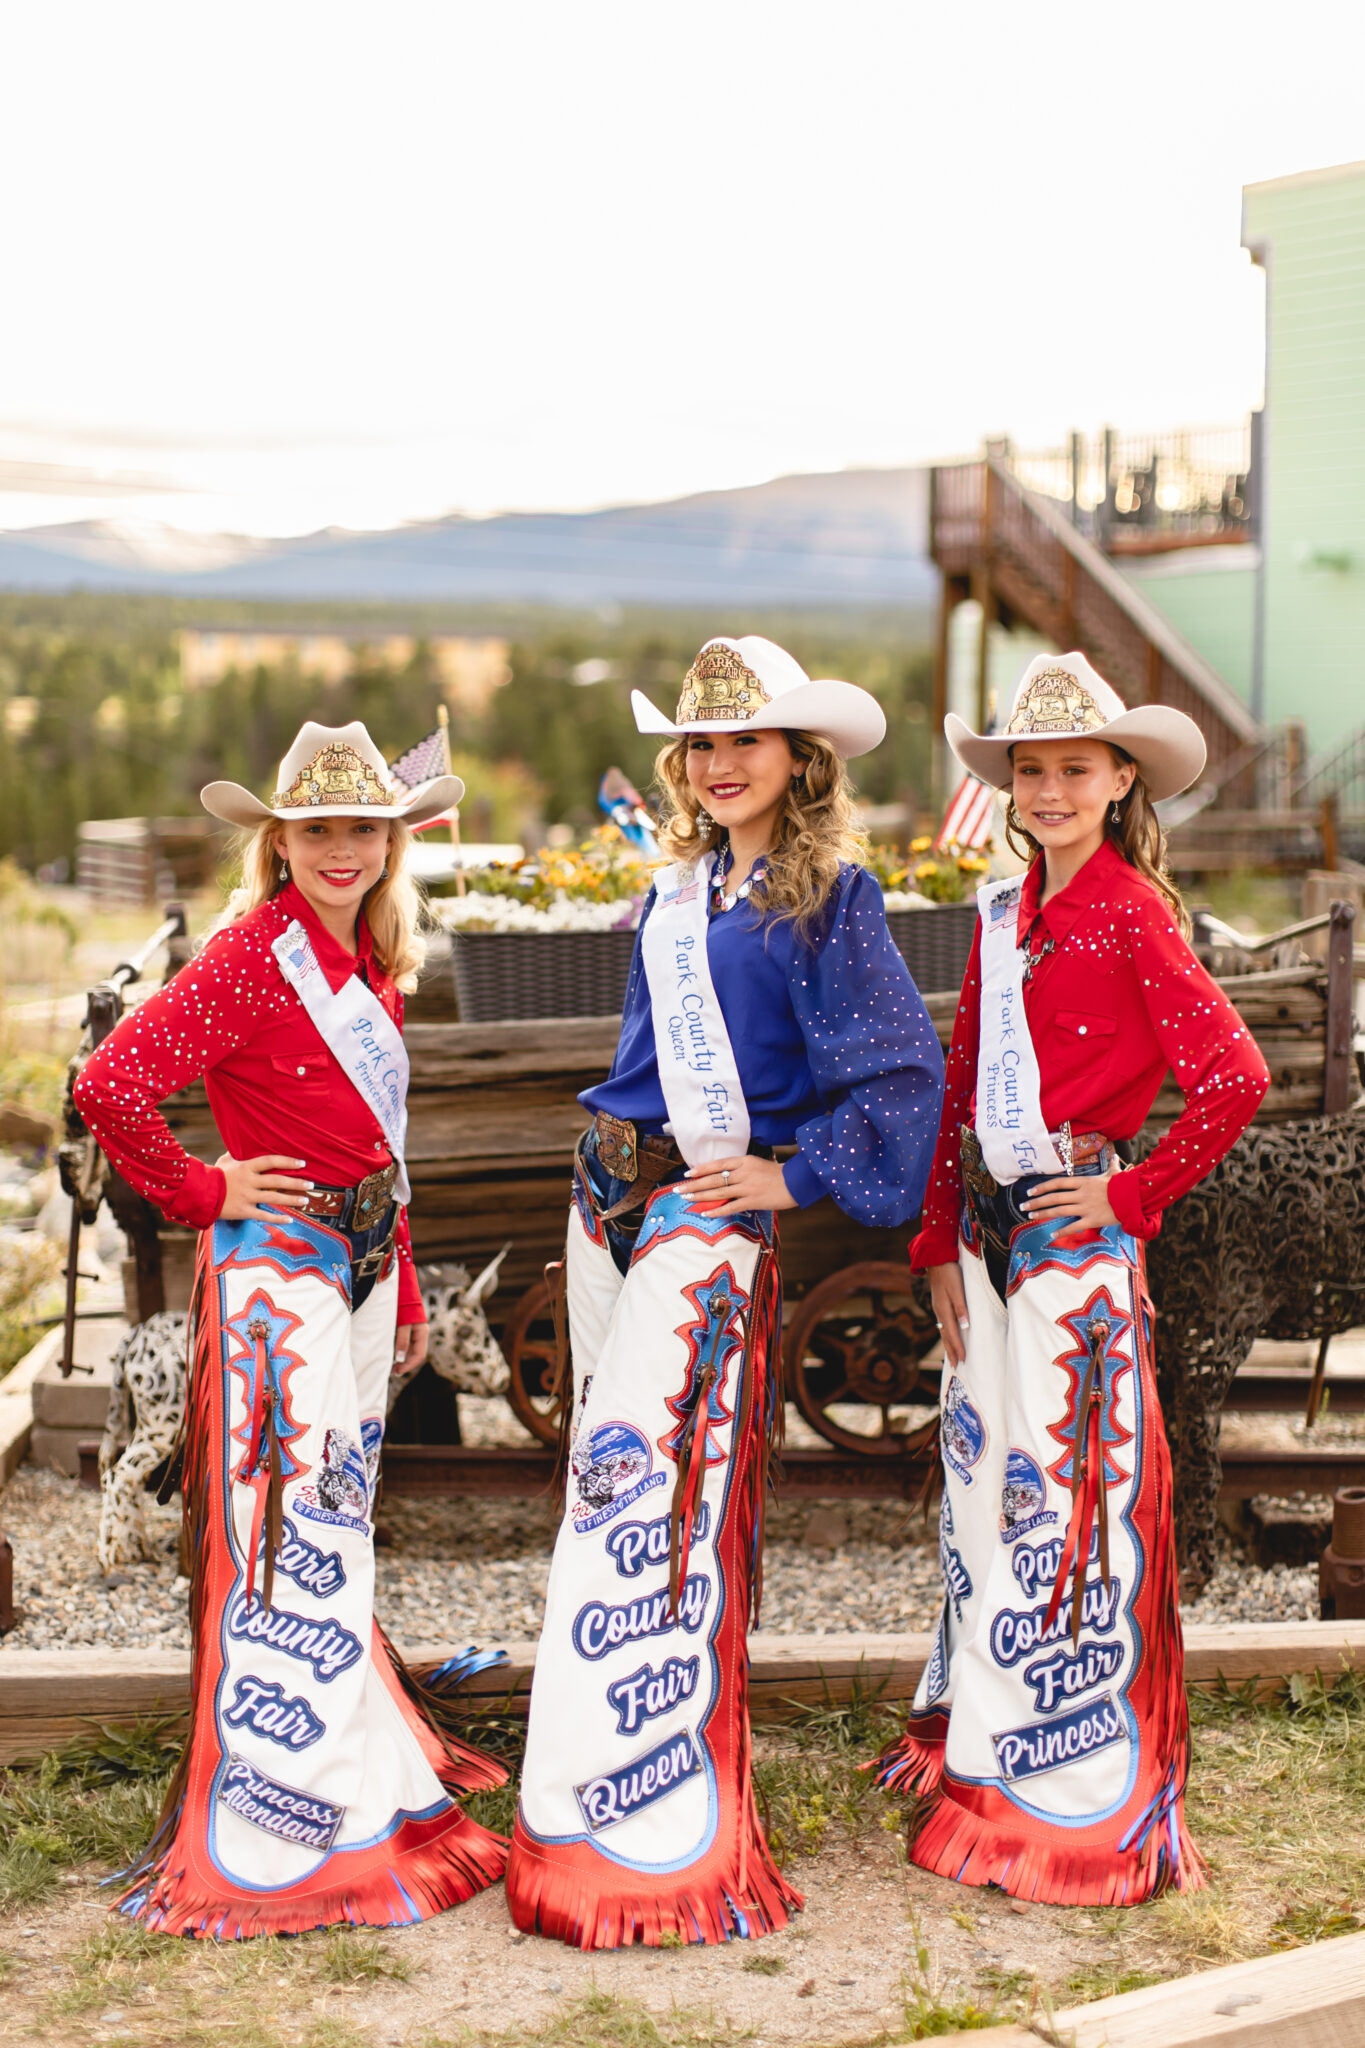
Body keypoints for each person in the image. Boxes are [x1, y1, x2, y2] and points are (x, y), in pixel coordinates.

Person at [506, 636, 946, 1949]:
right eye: (700, 744)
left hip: (704, 1222)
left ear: (798, 756)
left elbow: (902, 1082)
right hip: (609, 1195)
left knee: (656, 1499)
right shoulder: (674, 886)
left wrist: (792, 1173)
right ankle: (590, 1782)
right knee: (604, 1486)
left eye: (744, 740)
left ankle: (654, 1810)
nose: (718, 763)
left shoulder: (833, 900)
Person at [74, 721, 510, 1938]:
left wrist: (410, 1284)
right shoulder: (252, 955)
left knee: (337, 1511)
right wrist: (206, 1191)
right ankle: (292, 1802)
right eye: (317, 829)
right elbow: (109, 1083)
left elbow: (382, 1144)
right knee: (294, 1524)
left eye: (363, 829)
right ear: (280, 842)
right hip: (281, 1267)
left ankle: (349, 1756)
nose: (342, 848)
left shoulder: (370, 958)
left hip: (364, 1264)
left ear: (390, 841)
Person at [872, 652, 1270, 1905]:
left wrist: (1135, 1193)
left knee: (1070, 1496)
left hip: (1071, 1238)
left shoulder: (1134, 909)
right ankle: (991, 1735)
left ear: (1118, 781)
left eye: (1071, 769)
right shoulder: (1005, 911)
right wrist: (936, 1236)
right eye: (1028, 770)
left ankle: (1073, 1765)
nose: (1047, 788)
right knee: (992, 1483)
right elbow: (957, 1080)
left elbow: (1235, 1076)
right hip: (988, 1242)